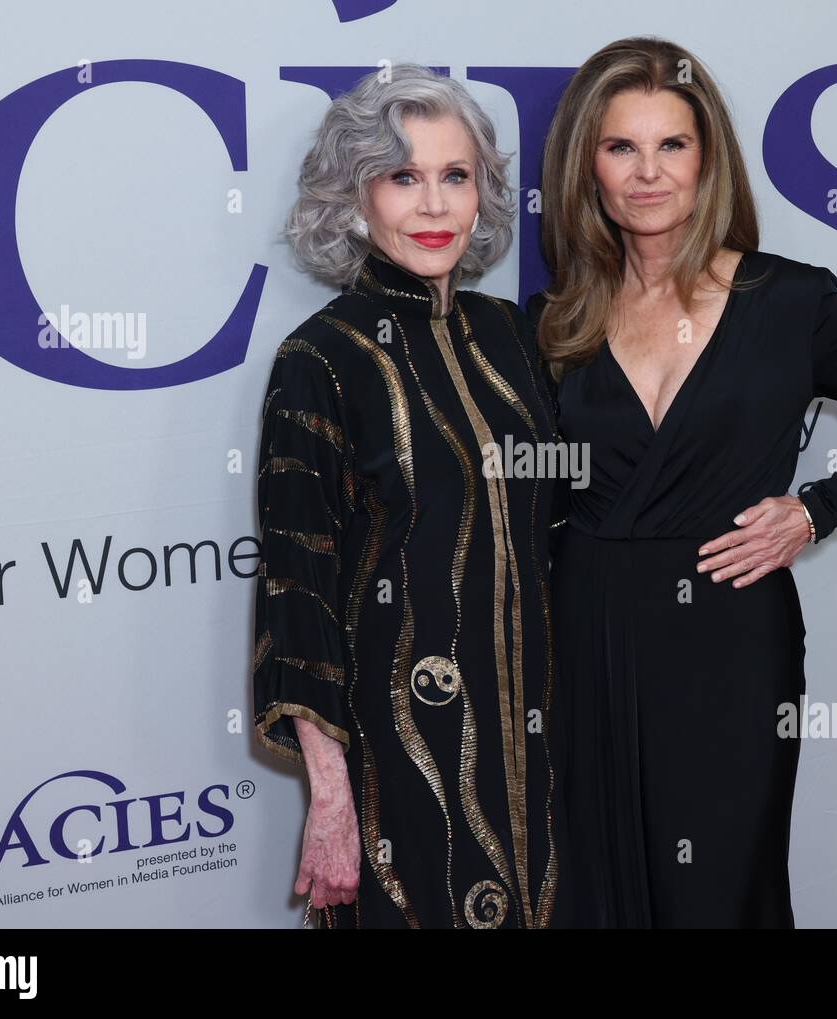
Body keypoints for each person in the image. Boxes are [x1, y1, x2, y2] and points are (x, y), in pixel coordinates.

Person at [527, 36, 837, 927]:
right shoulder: (556, 321)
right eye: (620, 147)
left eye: (671, 145)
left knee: (720, 891)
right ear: (586, 167)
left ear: (708, 157)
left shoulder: (789, 302)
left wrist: (815, 509)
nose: (648, 173)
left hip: (731, 637)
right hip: (585, 637)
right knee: (590, 893)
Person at [252, 64, 566, 928]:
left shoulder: (511, 336)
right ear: (353, 197)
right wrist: (332, 798)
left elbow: (564, 528)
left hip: (547, 741)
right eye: (403, 176)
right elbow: (295, 585)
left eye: (454, 176)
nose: (434, 206)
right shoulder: (318, 359)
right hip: (402, 751)